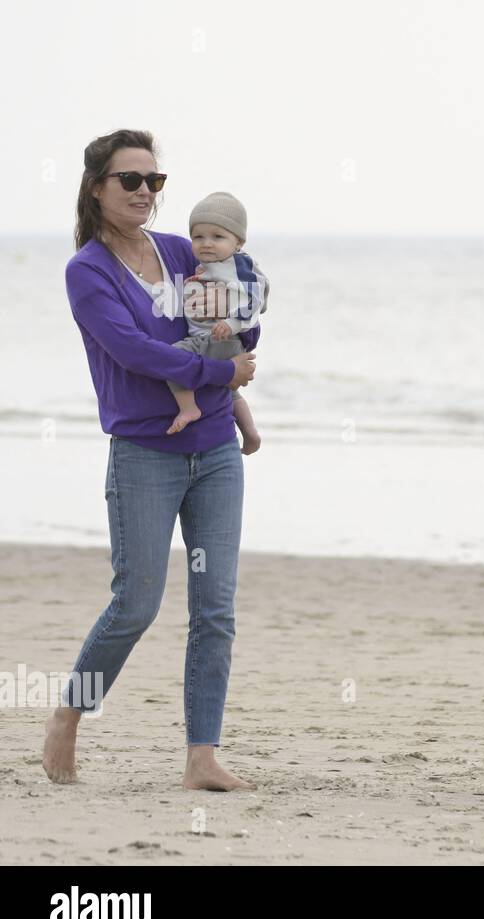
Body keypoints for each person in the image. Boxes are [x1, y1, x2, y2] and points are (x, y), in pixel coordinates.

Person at [43, 129, 259, 790]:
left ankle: (201, 758)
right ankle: (68, 718)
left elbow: (233, 311)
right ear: (97, 186)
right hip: (144, 453)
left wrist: (242, 351)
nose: (144, 192)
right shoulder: (88, 271)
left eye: (153, 181)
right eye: (129, 180)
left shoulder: (179, 251)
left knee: (215, 609)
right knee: (135, 603)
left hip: (216, 451)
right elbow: (135, 350)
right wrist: (221, 375)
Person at [167, 191, 267, 454]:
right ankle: (250, 433)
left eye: (217, 236)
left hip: (219, 338)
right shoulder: (212, 265)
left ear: (239, 242)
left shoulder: (238, 265)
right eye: (198, 237)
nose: (206, 244)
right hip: (215, 339)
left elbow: (255, 296)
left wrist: (232, 323)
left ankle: (189, 408)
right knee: (230, 395)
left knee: (174, 357)